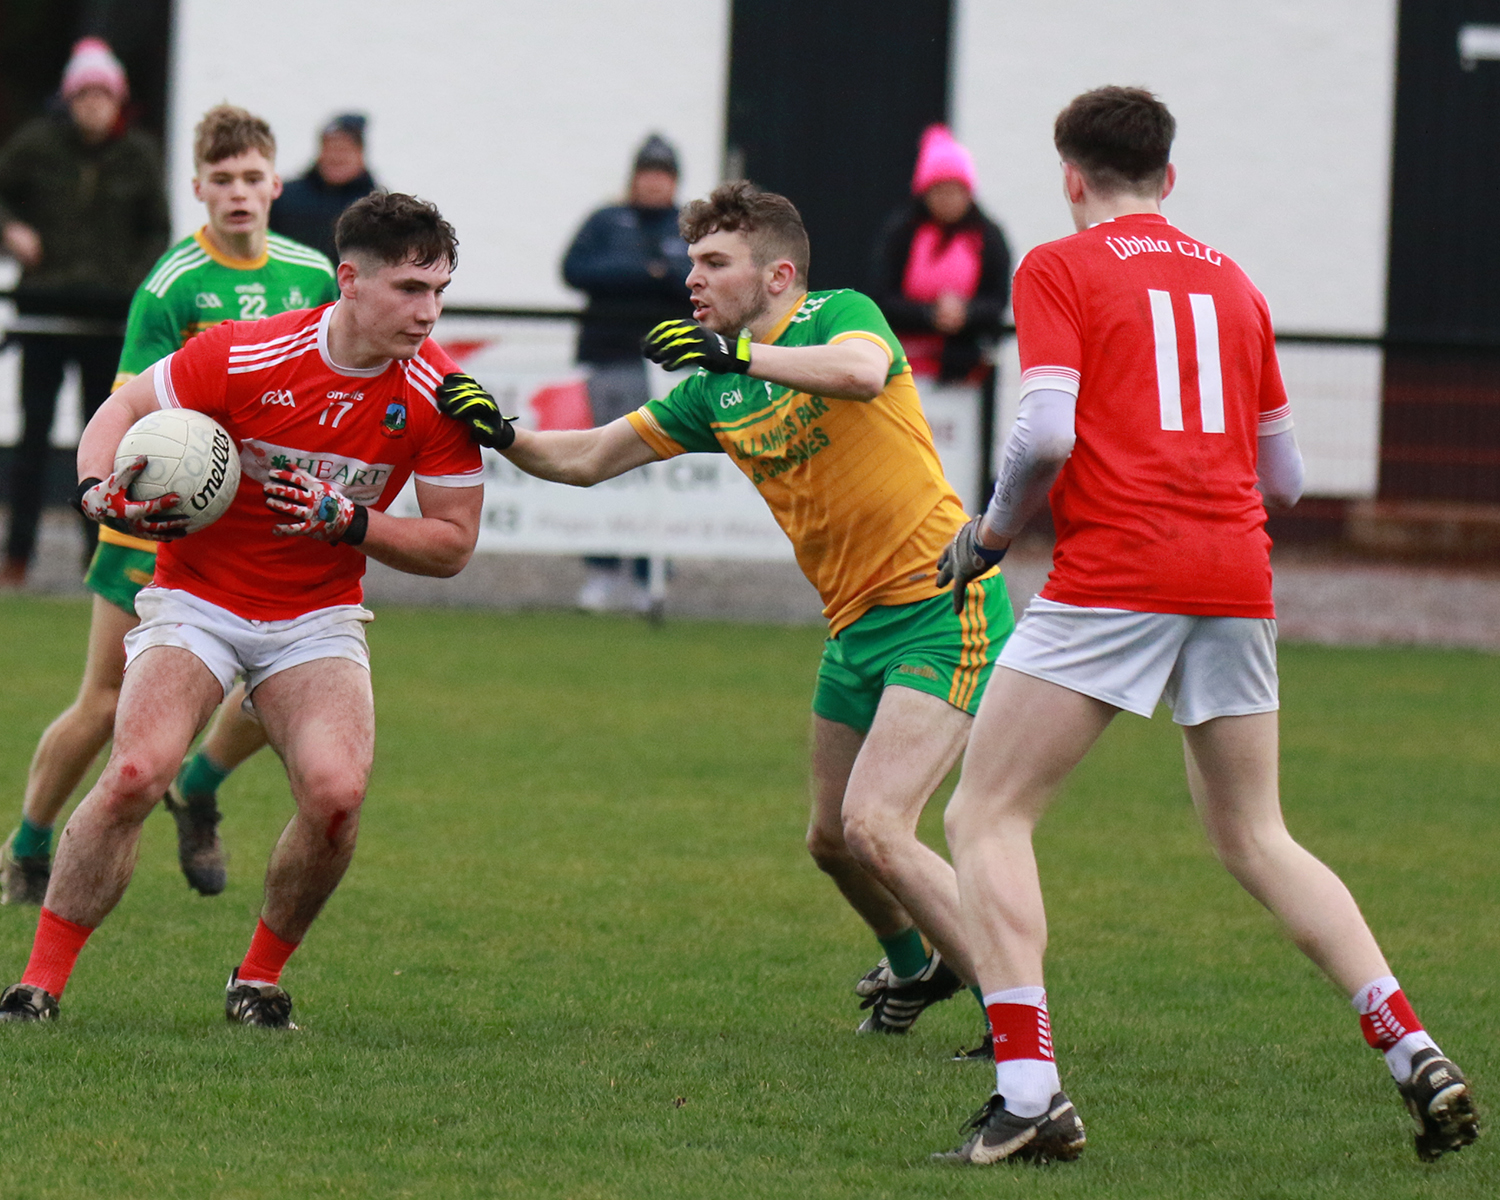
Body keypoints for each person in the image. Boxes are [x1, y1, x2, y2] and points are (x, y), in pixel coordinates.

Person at [932, 87, 1479, 1165]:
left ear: (1071, 177)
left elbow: (1043, 430)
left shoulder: (1059, 262)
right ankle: (1410, 1045)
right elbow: (1288, 477)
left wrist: (991, 536)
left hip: (1118, 567)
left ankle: (1031, 1093)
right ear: (1169, 178)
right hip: (1235, 572)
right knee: (1257, 835)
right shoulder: (1236, 281)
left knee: (985, 816)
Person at [441, 181, 1013, 1041]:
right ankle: (914, 967)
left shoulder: (835, 317)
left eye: (714, 263)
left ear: (778, 274)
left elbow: (860, 374)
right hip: (854, 626)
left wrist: (735, 357)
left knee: (877, 825)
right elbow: (593, 456)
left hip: (942, 604)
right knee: (831, 838)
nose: (692, 281)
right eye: (691, 263)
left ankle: (1020, 1029)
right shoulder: (716, 385)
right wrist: (502, 433)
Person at [0, 191, 484, 1027]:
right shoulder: (246, 353)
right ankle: (37, 985)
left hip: (317, 617)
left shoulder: (442, 395)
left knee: (336, 795)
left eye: (439, 290)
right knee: (134, 773)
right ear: (350, 282)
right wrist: (95, 493)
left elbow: (453, 543)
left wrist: (352, 522)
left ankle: (256, 981)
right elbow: (120, 410)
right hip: (197, 598)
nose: (429, 311)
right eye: (411, 289)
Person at [0, 105, 341, 906]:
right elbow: (130, 409)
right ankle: (27, 847)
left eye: (252, 178)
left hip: (262, 520)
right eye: (221, 181)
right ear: (197, 188)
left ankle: (198, 781)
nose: (238, 193)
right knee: (108, 699)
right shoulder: (171, 284)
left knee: (280, 685)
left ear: (275, 184)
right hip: (153, 519)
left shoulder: (313, 276)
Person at [0, 37, 170, 584]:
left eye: (103, 95)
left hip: (108, 321)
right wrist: (11, 231)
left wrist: (129, 283)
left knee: (109, 440)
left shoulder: (139, 155)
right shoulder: (34, 145)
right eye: (84, 95)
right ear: (69, 100)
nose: (93, 105)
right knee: (33, 436)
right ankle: (17, 554)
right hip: (44, 313)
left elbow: (156, 230)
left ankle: (96, 554)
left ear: (118, 102)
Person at [561, 133, 693, 612]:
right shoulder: (605, 220)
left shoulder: (691, 225)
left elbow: (697, 281)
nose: (653, 184)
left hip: (669, 368)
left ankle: (648, 572)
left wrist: (652, 274)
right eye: (647, 174)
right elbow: (575, 270)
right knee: (603, 461)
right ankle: (602, 568)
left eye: (663, 175)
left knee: (654, 466)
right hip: (609, 357)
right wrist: (650, 272)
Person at [872, 125, 1010, 384]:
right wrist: (929, 314)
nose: (948, 199)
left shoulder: (988, 236)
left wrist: (966, 313)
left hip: (964, 371)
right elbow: (882, 298)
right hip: (903, 368)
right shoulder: (902, 232)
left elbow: (998, 300)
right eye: (939, 190)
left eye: (955, 190)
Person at [268, 114, 378, 267]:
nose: (336, 157)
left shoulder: (377, 207)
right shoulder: (282, 197)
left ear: (360, 153)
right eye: (330, 148)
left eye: (344, 149)